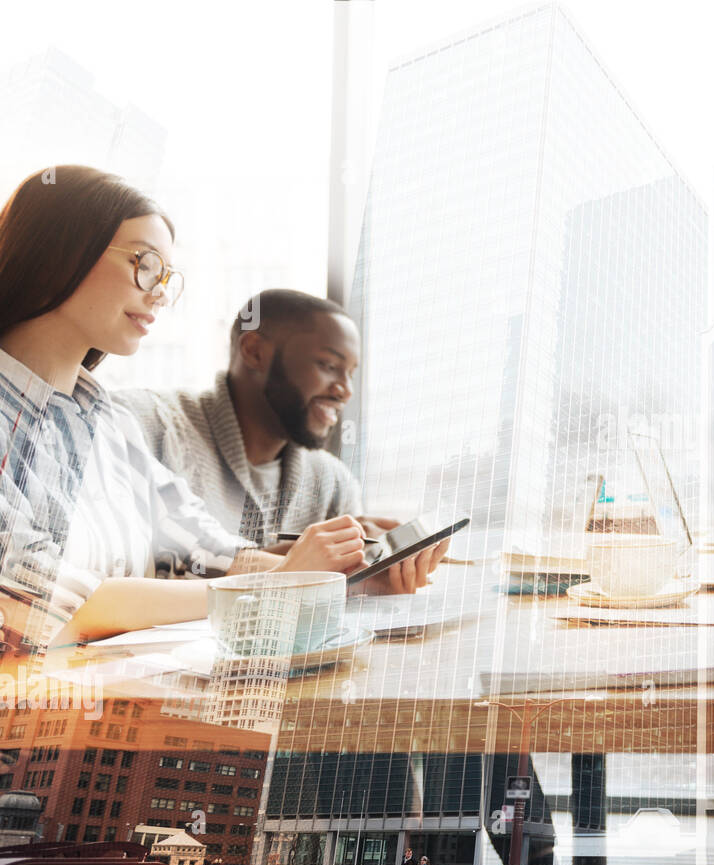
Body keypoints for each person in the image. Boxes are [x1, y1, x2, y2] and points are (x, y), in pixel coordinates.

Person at [0, 166, 412, 658]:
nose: (159, 292)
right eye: (145, 264)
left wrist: (345, 574)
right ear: (58, 251)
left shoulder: (105, 421)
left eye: (167, 277)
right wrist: (278, 583)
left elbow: (207, 551)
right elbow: (49, 606)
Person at [116, 290, 447, 594]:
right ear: (254, 352)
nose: (345, 390)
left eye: (351, 373)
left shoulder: (331, 482)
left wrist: (369, 582)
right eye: (329, 366)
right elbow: (129, 581)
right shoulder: (146, 426)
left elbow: (332, 614)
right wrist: (301, 562)